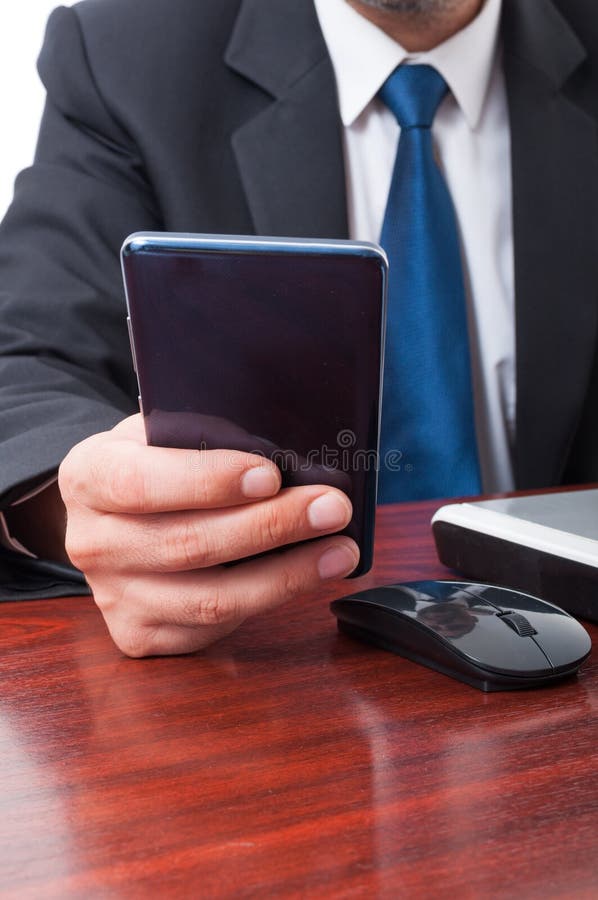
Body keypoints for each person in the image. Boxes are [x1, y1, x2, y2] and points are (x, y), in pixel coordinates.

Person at [0, 0, 596, 656]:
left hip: (563, 647)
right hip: (275, 653)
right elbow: (26, 362)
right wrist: (97, 512)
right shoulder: (123, 56)